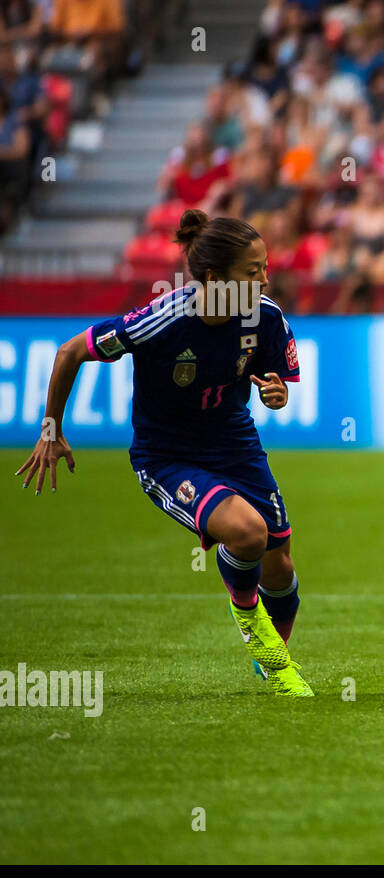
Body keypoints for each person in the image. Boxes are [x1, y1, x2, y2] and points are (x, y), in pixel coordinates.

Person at [16, 210, 314, 698]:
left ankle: (271, 654)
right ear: (216, 278)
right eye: (253, 269)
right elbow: (70, 352)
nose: (265, 277)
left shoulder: (266, 316)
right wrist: (51, 429)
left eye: (264, 266)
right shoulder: (160, 321)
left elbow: (271, 383)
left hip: (236, 444)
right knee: (248, 534)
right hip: (167, 457)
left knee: (280, 562)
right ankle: (264, 646)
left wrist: (274, 393)